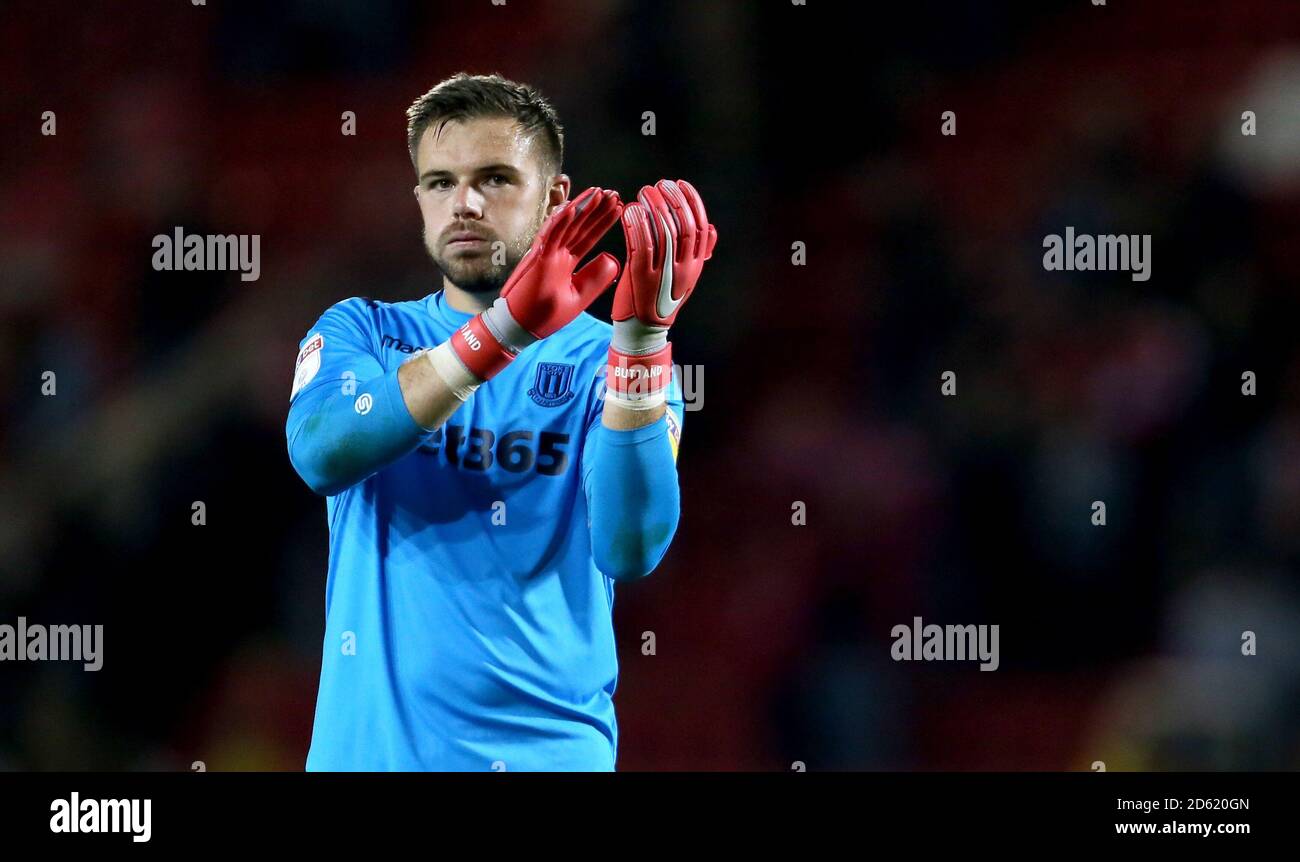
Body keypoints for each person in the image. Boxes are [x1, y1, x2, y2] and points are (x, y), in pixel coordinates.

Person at [286, 73, 717, 770]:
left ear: (553, 198)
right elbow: (322, 452)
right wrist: (503, 332)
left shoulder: (607, 364)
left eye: (494, 179)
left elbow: (630, 546)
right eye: (439, 182)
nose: (464, 203)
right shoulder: (361, 331)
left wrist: (640, 345)